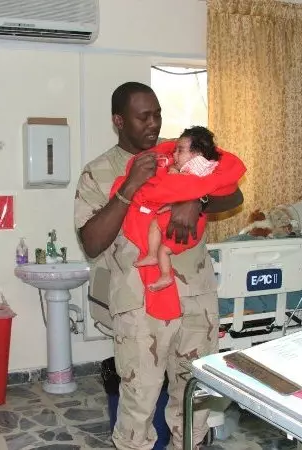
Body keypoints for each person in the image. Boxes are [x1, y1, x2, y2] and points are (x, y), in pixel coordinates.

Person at [74, 81, 243, 450]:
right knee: (139, 400)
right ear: (119, 121)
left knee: (195, 397)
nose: (154, 124)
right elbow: (91, 242)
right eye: (143, 117)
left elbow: (233, 190)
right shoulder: (99, 171)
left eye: (158, 114)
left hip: (195, 300)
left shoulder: (179, 152)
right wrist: (128, 188)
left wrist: (196, 198)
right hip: (140, 306)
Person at [134, 126, 223, 292]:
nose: (174, 155)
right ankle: (153, 255)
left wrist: (174, 172)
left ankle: (165, 274)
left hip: (189, 226)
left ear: (196, 155)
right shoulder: (195, 165)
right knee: (155, 225)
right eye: (175, 150)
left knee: (164, 250)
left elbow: (190, 183)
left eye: (180, 150)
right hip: (177, 216)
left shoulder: (199, 165)